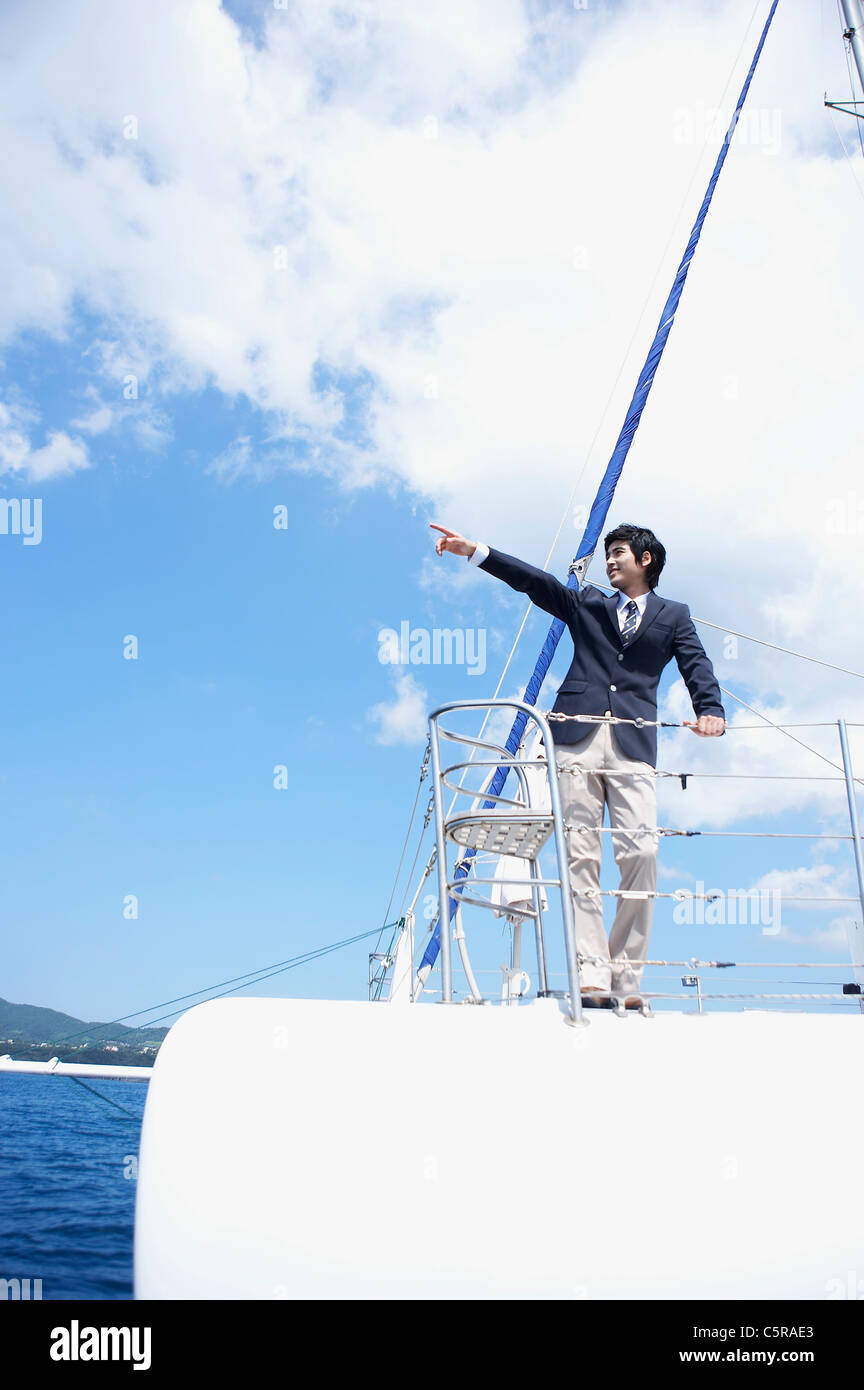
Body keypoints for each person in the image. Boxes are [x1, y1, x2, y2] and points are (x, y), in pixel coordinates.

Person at [430, 521, 725, 1010]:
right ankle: (592, 975)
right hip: (574, 739)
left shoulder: (675, 615)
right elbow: (535, 582)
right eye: (608, 555)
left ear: (645, 560)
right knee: (580, 858)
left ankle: (626, 978)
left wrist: (710, 709)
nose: (609, 561)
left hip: (634, 744)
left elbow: (697, 663)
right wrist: (477, 551)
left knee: (642, 852)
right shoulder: (587, 603)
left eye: (619, 554)